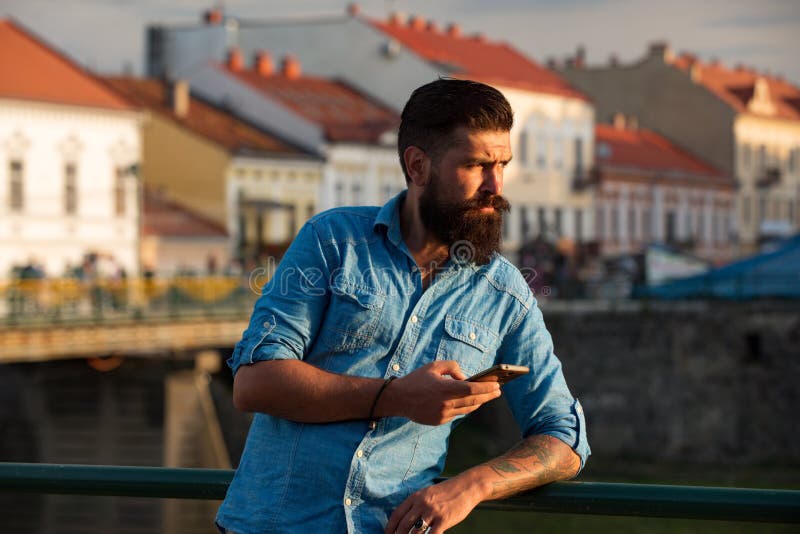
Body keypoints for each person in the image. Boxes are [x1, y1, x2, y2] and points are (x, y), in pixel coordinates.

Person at [216, 78, 589, 534]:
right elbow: (254, 384)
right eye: (476, 165)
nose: (496, 185)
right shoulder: (332, 242)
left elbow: (564, 437)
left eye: (502, 165)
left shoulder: (506, 294)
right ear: (418, 166)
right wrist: (397, 397)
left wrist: (471, 487)